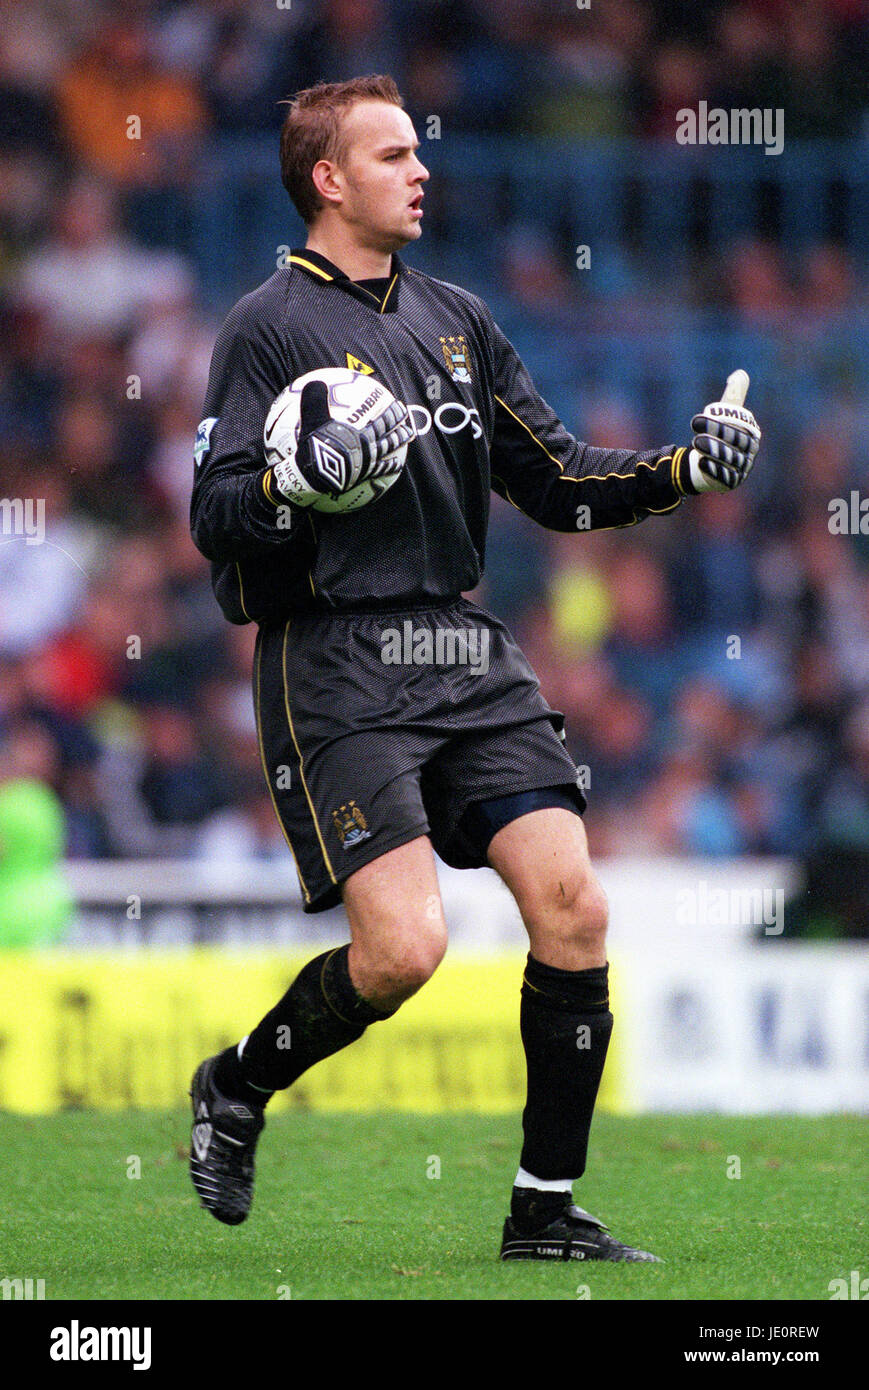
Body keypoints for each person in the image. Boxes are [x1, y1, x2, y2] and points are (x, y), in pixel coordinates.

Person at [188, 74, 761, 1261]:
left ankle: (543, 1211)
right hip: (334, 661)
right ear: (328, 179)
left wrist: (683, 470)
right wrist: (294, 481)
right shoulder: (265, 326)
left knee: (575, 905)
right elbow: (215, 512)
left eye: (418, 151)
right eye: (393, 154)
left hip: (459, 649)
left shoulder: (455, 318)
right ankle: (237, 1083)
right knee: (403, 951)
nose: (421, 170)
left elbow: (555, 480)